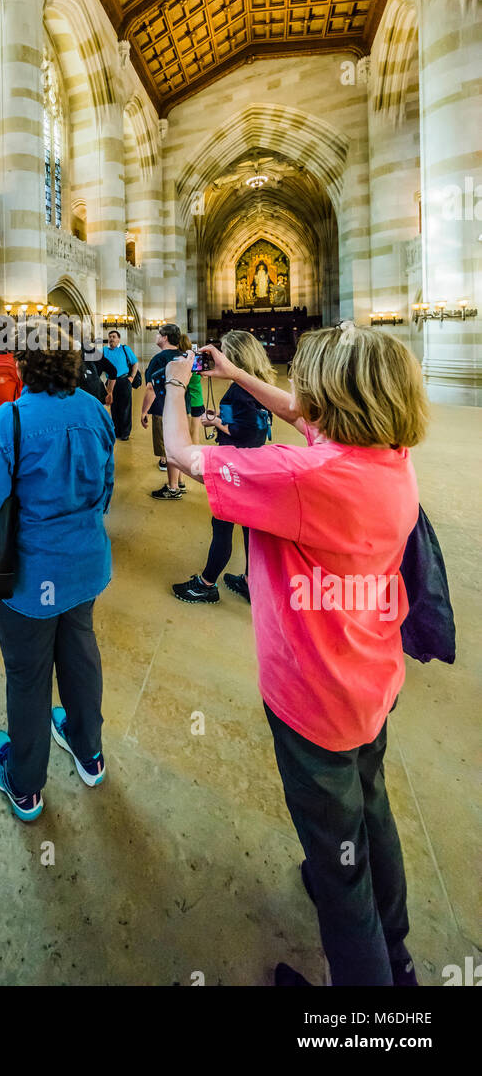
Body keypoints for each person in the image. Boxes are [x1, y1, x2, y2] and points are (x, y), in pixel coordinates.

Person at [162, 324, 428, 988]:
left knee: (339, 871)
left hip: (315, 697)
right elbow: (300, 414)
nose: (297, 390)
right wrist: (231, 372)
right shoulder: (387, 455)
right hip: (370, 674)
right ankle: (394, 950)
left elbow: (176, 451)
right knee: (371, 808)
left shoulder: (300, 475)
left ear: (330, 395)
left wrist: (172, 379)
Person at [0, 323, 115, 823]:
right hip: (86, 562)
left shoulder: (11, 421)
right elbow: (108, 486)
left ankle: (25, 784)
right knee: (80, 653)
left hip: (30, 574)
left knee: (28, 676)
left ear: (24, 366)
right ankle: (89, 752)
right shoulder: (94, 410)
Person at [172, 331, 273, 606]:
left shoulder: (241, 391)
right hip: (254, 461)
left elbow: (244, 430)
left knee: (223, 524)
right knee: (249, 528)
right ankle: (252, 581)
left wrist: (215, 423)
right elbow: (251, 424)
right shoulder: (257, 383)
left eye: (224, 351)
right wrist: (217, 418)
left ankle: (206, 585)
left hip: (236, 464)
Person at [140, 323, 189, 499]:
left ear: (165, 337)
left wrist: (144, 411)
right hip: (184, 407)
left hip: (165, 408)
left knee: (169, 448)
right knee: (180, 446)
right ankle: (181, 482)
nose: (156, 337)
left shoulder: (159, 359)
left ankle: (173, 488)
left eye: (158, 334)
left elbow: (151, 389)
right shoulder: (184, 355)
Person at [101, 328, 139, 440]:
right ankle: (116, 431)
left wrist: (131, 377)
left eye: (114, 337)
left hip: (124, 380)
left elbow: (135, 363)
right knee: (113, 406)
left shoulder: (125, 349)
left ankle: (125, 432)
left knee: (125, 407)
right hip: (110, 382)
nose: (111, 339)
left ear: (118, 339)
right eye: (110, 337)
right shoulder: (104, 350)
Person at [179, 332, 205, 444]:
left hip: (183, 400)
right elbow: (202, 375)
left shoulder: (179, 360)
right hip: (197, 398)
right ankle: (195, 457)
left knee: (182, 432)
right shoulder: (196, 358)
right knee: (195, 432)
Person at [79, 343, 116, 412]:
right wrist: (109, 392)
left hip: (72, 400)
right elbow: (112, 370)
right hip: (94, 398)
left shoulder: (61, 352)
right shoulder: (90, 350)